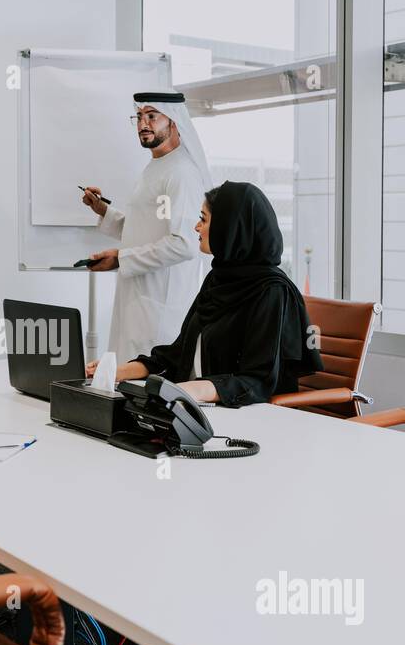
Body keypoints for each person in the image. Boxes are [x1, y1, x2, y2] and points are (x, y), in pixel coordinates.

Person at [87, 181, 323, 407]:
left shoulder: (272, 291)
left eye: (203, 219)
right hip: (198, 405)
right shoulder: (218, 278)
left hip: (245, 415)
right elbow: (176, 354)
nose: (196, 227)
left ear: (229, 226)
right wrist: (115, 370)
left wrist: (189, 391)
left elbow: (257, 381)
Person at [80, 90, 212, 360]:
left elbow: (184, 244)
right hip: (137, 300)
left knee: (147, 388)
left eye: (152, 116)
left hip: (160, 310)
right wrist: (103, 210)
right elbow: (145, 228)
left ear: (173, 121)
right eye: (139, 117)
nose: (143, 124)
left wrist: (121, 258)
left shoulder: (182, 174)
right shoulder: (155, 168)